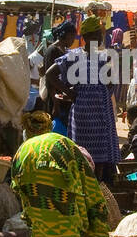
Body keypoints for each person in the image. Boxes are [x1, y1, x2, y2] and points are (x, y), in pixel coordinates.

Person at [44, 16, 122, 184]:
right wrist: (72, 93)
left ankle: (90, 187)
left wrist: (72, 93)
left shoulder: (76, 57)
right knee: (94, 155)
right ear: (88, 37)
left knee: (85, 154)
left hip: (86, 109)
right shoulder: (98, 57)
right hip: (97, 111)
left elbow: (51, 74)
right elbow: (49, 74)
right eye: (97, 34)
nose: (100, 38)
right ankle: (98, 189)